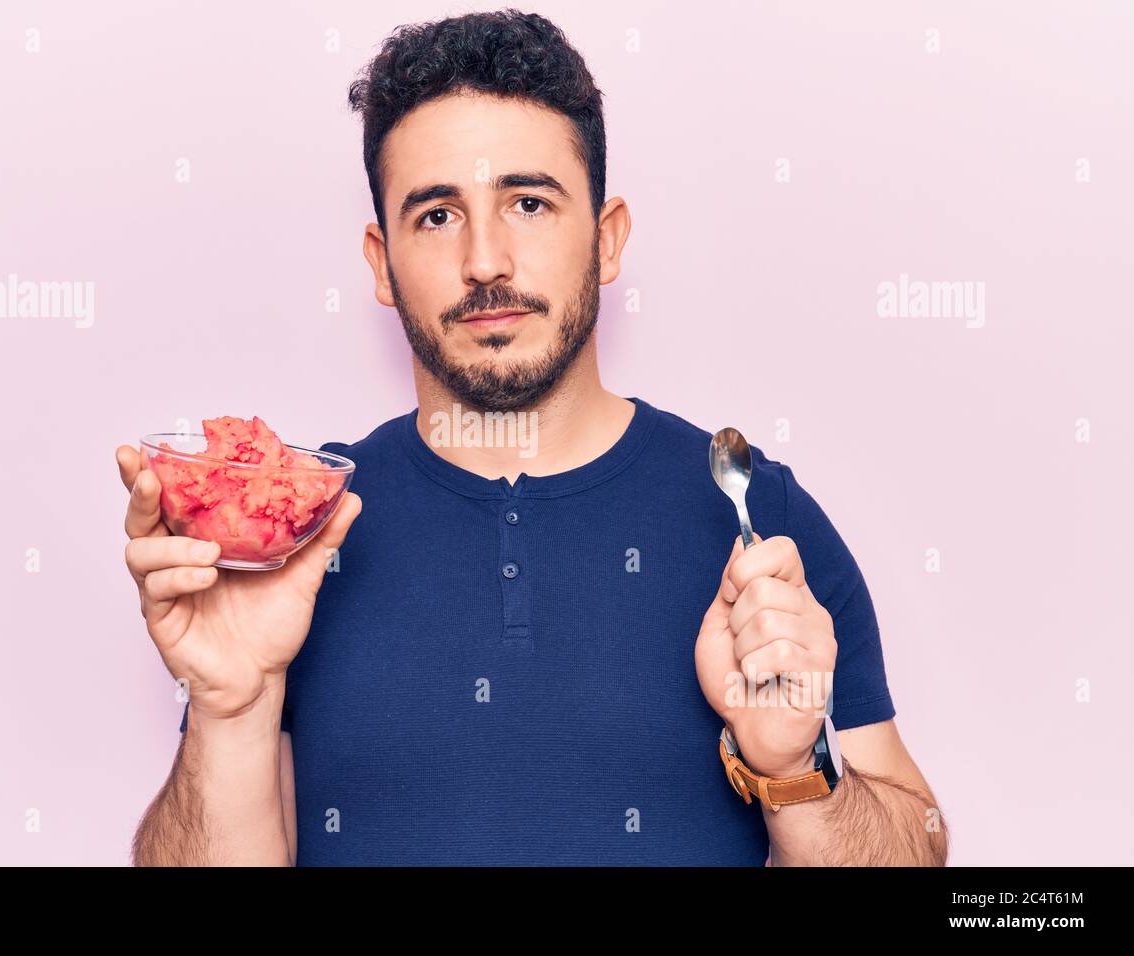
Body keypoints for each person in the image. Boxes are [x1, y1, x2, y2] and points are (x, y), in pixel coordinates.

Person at [116, 9, 947, 866]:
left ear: (607, 236)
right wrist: (231, 709)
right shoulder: (301, 528)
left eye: (529, 202)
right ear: (380, 260)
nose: (486, 260)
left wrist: (792, 768)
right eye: (437, 215)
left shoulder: (751, 510)